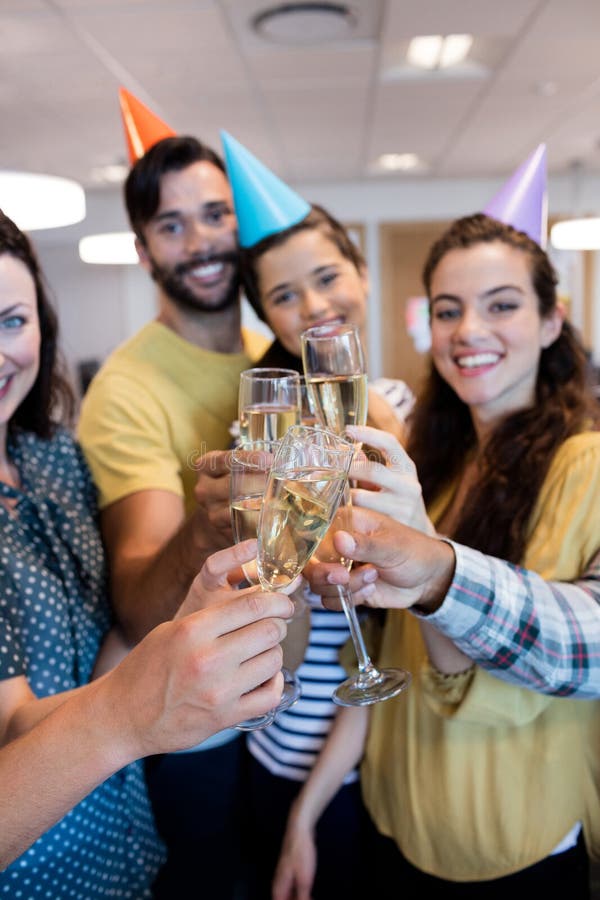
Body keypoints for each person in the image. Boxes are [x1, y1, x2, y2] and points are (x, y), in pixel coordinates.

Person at [273, 213, 600, 899]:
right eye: (448, 311)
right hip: (389, 826)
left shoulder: (589, 467)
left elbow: (577, 649)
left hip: (511, 850)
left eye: (501, 305)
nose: (468, 331)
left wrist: (432, 568)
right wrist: (306, 814)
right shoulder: (433, 469)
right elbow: (385, 668)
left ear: (551, 321)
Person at [0, 207, 293, 893]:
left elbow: (75, 677)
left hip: (128, 846)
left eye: (12, 320)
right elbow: (15, 723)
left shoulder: (52, 460)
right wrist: (129, 712)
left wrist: (179, 618)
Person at [76, 131, 270, 898]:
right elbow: (138, 599)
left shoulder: (270, 350)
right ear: (143, 250)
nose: (202, 242)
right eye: (171, 225)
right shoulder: (126, 389)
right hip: (198, 734)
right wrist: (208, 520)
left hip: (283, 712)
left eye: (216, 214)